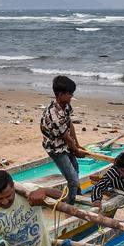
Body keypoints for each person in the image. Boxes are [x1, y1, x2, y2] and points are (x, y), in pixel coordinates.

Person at [40, 75, 86, 204]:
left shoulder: (66, 106)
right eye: (69, 94)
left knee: (75, 168)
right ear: (60, 94)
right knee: (72, 179)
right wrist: (76, 150)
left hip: (65, 144)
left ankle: (77, 194)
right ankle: (70, 204)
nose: (71, 96)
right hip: (55, 147)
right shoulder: (53, 114)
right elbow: (66, 136)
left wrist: (77, 144)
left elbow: (70, 125)